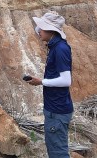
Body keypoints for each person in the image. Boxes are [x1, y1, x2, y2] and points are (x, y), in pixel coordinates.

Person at [26, 11, 73, 158]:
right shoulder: (55, 46)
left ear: (51, 31)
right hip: (55, 109)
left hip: (57, 111)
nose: (38, 31)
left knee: (58, 154)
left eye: (42, 28)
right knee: (55, 150)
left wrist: (41, 82)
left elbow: (66, 80)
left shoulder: (60, 49)